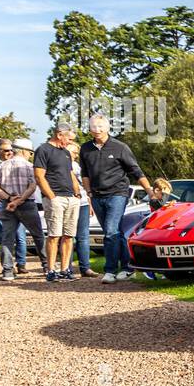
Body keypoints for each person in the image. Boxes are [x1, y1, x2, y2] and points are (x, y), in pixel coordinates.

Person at [79, 112, 159, 283]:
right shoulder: (85, 148)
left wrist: (150, 191)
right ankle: (128, 266)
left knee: (110, 231)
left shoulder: (120, 147)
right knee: (115, 233)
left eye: (100, 127)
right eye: (94, 127)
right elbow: (85, 173)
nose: (97, 130)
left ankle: (110, 271)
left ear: (107, 128)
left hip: (117, 193)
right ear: (90, 130)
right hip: (96, 195)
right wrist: (89, 193)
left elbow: (136, 171)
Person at [33, 120, 83, 283]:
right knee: (54, 235)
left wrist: (77, 194)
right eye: (69, 138)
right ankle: (51, 270)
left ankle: (65, 269)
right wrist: (51, 197)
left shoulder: (66, 153)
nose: (70, 142)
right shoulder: (43, 150)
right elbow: (39, 176)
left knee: (69, 235)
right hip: (55, 198)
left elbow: (70, 174)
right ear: (59, 135)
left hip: (71, 198)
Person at [0, 138, 48, 281]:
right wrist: (20, 199)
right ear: (24, 151)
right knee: (38, 235)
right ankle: (47, 266)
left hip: (7, 204)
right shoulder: (30, 166)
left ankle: (8, 270)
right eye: (30, 152)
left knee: (7, 238)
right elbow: (32, 186)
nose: (30, 155)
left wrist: (11, 199)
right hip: (27, 204)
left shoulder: (0, 166)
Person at [65, 141, 96, 278]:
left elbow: (84, 185)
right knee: (67, 235)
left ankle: (85, 267)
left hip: (82, 202)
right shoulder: (59, 165)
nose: (75, 155)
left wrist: (89, 203)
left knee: (83, 236)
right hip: (68, 201)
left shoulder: (77, 166)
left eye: (77, 153)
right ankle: (67, 267)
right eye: (73, 152)